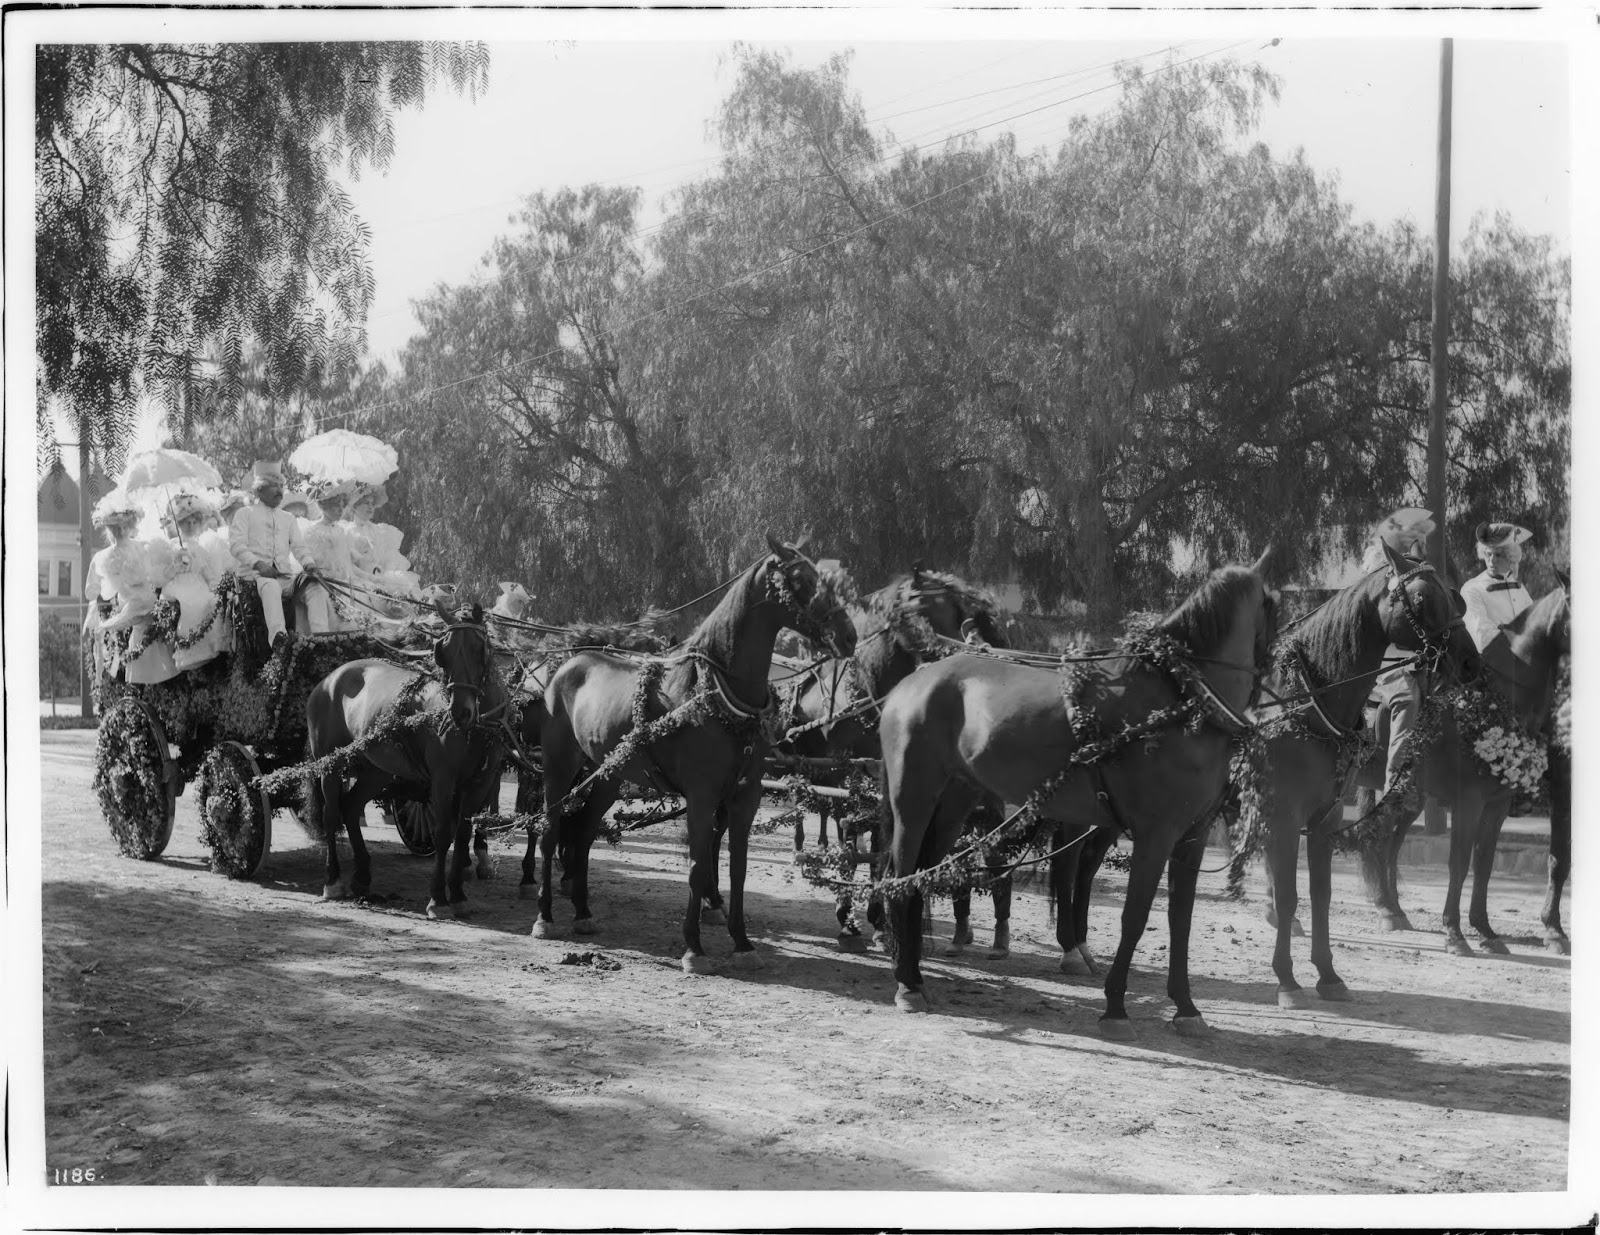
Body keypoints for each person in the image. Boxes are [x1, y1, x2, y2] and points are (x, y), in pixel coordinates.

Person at [1362, 507, 1436, 797]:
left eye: (1418, 546)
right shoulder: (1376, 576)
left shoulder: (1419, 576)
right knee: (1406, 699)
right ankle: (1395, 785)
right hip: (1384, 664)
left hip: (1420, 661)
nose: (1414, 552)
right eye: (1408, 544)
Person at [90, 490, 181, 685]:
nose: (120, 531)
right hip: (134, 604)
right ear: (109, 530)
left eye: (124, 526)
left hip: (151, 600)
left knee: (161, 630)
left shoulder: (141, 546)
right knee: (141, 631)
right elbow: (116, 590)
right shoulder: (109, 558)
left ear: (131, 525)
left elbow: (155, 575)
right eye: (115, 528)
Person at [230, 460, 318, 649]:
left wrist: (309, 564)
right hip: (254, 575)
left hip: (284, 575)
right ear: (259, 490)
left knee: (313, 587)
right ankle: (280, 640)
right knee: (270, 585)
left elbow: (299, 547)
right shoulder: (245, 514)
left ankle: (319, 640)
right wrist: (258, 564)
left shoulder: (288, 518)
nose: (280, 491)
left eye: (281, 486)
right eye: (274, 486)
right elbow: (236, 546)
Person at [163, 491, 227, 671]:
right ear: (179, 525)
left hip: (198, 583)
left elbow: (206, 571)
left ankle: (209, 647)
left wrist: (215, 587)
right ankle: (190, 651)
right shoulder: (173, 545)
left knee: (210, 600)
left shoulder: (199, 546)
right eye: (186, 523)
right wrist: (176, 564)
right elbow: (165, 575)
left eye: (194, 522)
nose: (190, 526)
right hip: (179, 584)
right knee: (192, 602)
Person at [1459, 522, 1534, 653]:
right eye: (1488, 554)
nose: (1492, 560)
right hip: (1490, 667)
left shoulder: (1520, 589)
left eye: (1498, 555)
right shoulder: (1472, 589)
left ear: (1511, 557)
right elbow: (1481, 636)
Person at [301, 478, 362, 633]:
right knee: (320, 597)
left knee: (354, 600)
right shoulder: (312, 530)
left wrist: (348, 579)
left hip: (340, 581)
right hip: (319, 580)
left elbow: (345, 561)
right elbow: (310, 559)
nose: (341, 510)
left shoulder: (341, 531)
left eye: (343, 505)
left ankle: (348, 638)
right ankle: (322, 637)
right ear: (324, 505)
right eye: (336, 505)